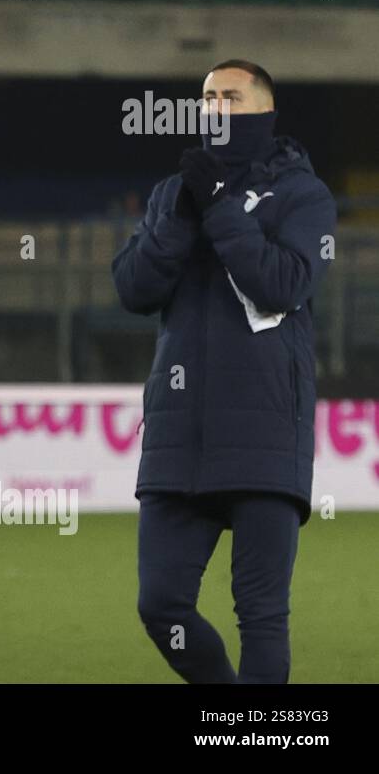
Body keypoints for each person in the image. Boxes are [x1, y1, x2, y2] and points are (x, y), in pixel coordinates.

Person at [111, 60, 337, 683]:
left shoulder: (304, 195)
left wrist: (221, 208)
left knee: (261, 614)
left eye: (230, 97)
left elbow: (284, 282)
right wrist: (184, 214)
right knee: (160, 604)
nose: (214, 108)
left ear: (264, 111)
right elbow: (132, 288)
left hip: (265, 431)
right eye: (207, 98)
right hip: (179, 438)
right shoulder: (172, 191)